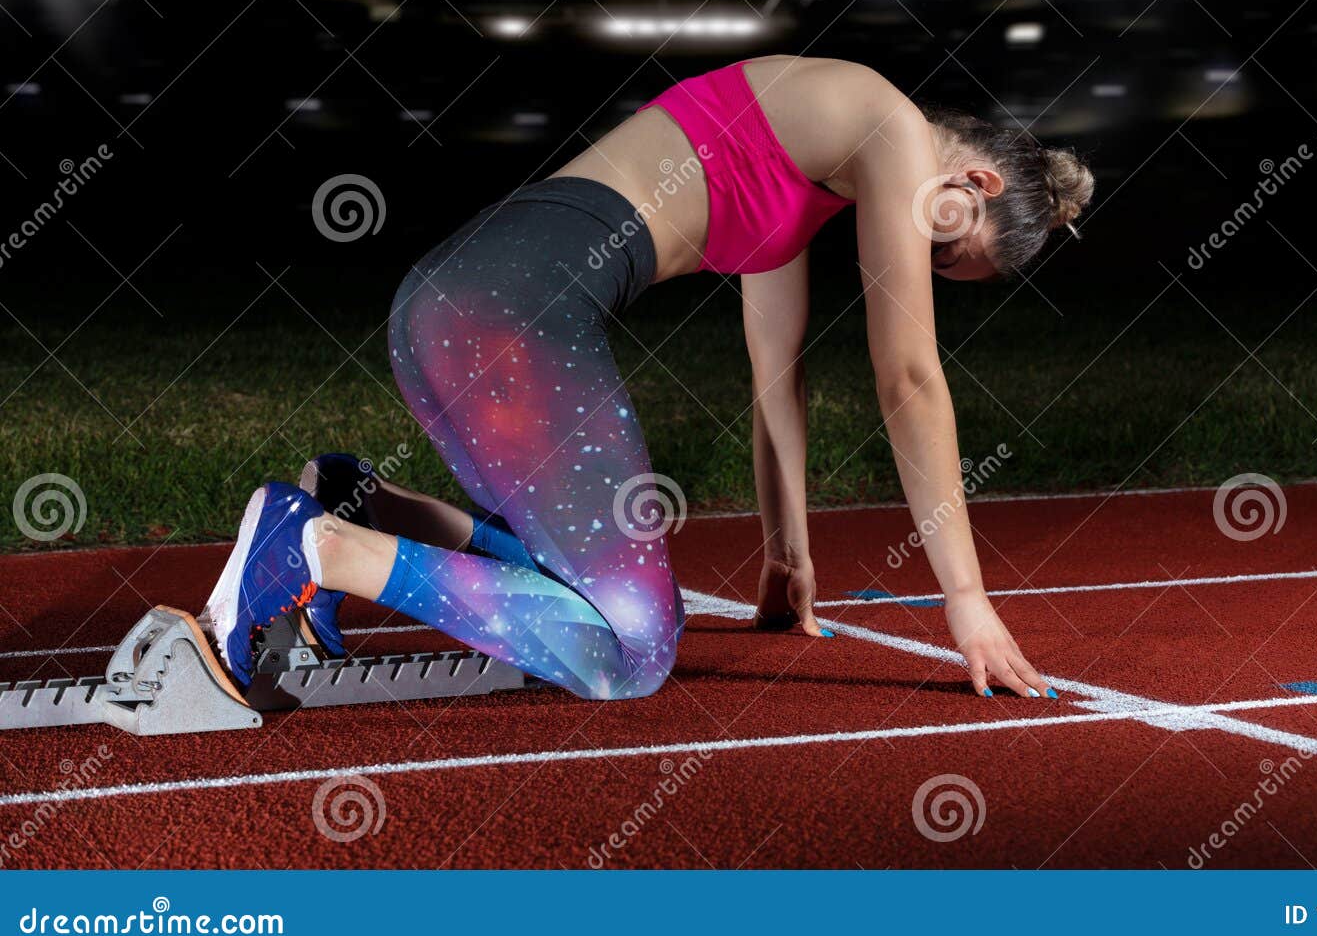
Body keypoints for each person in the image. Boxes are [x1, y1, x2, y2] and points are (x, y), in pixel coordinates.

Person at [204, 56, 1092, 701]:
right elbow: (907, 376)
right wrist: (967, 601)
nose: (919, 258)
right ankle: (314, 547)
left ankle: (358, 502)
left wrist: (787, 557)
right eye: (946, 244)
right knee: (628, 653)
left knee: (576, 583)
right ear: (972, 180)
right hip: (508, 313)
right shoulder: (885, 119)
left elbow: (775, 380)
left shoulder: (809, 170)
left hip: (456, 304)